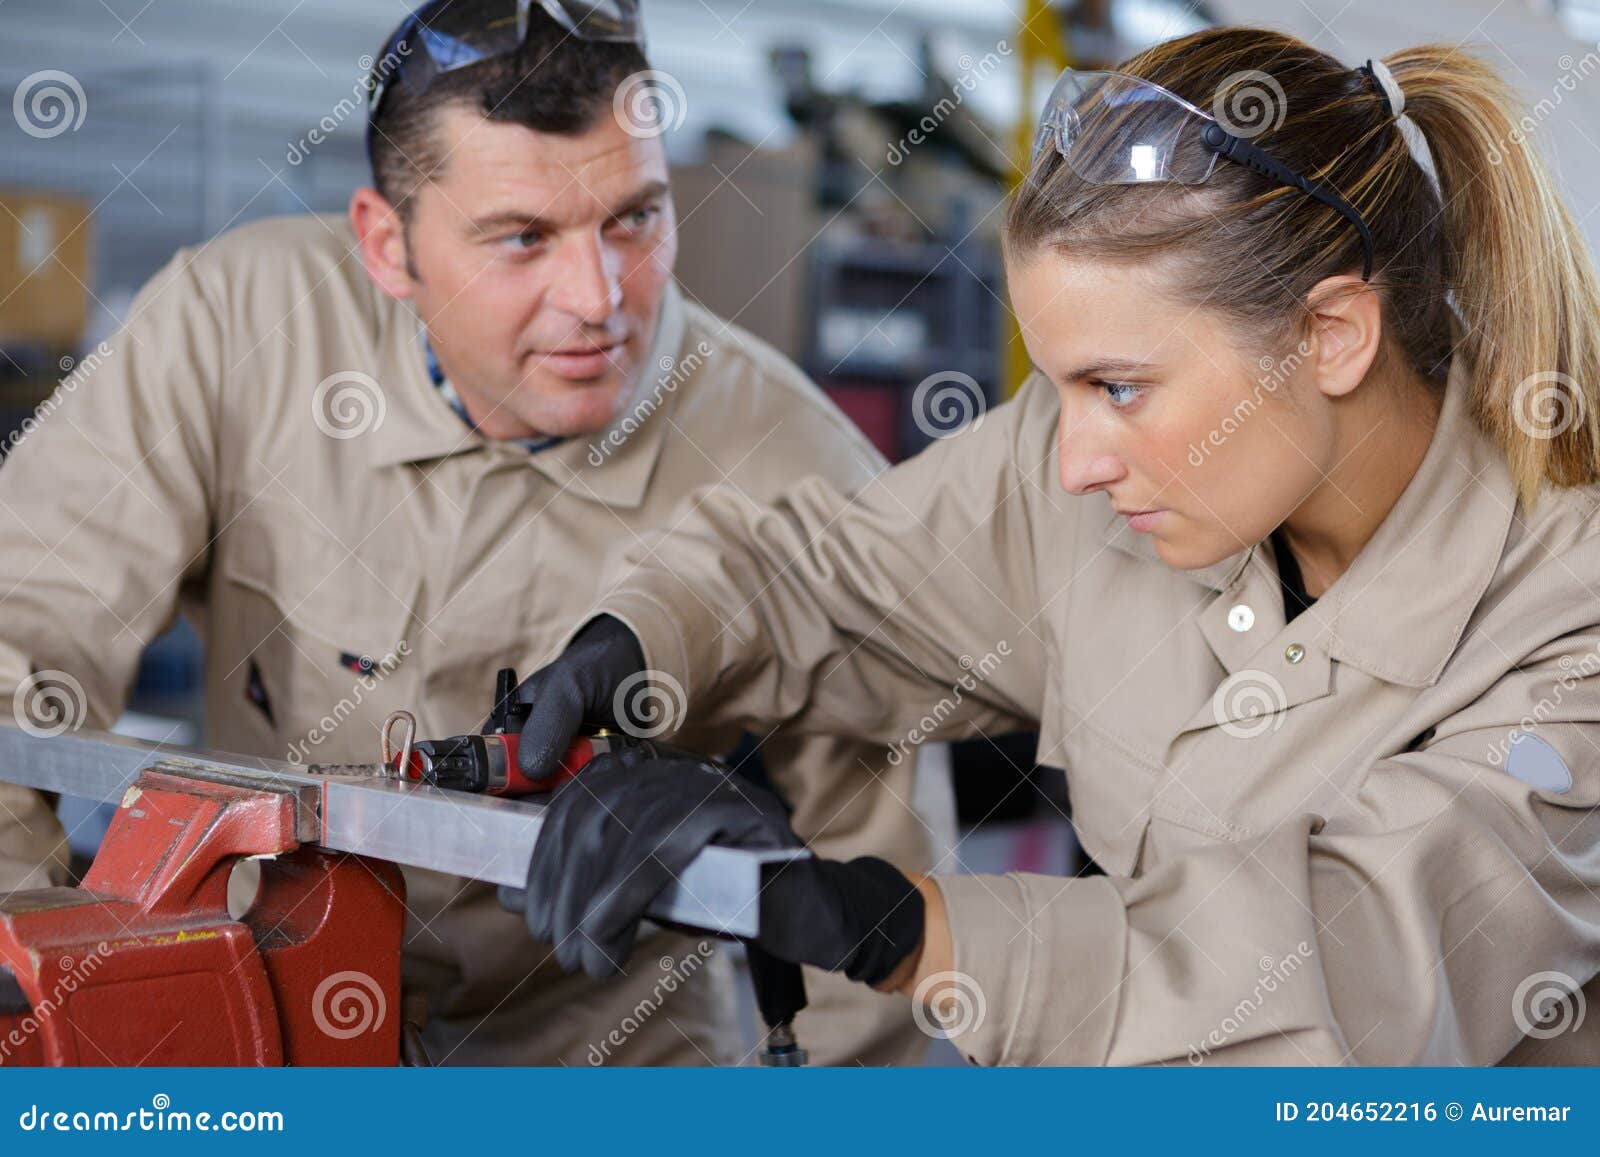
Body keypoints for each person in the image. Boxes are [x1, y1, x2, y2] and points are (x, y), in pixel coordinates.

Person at [501, 28, 1600, 1065]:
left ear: (1330, 335)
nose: (1073, 461)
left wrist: (892, 925)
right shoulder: (1099, 469)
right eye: (1063, 384)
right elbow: (832, 577)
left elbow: (1356, 959)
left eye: (1120, 386)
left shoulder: (1568, 623)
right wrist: (639, 646)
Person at [0, 0, 952, 1066]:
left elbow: (873, 918)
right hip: (262, 1016)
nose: (598, 299)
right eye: (521, 237)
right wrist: (49, 983)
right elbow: (15, 641)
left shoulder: (799, 470)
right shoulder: (234, 326)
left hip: (602, 1051)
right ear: (386, 244)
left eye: (633, 218)